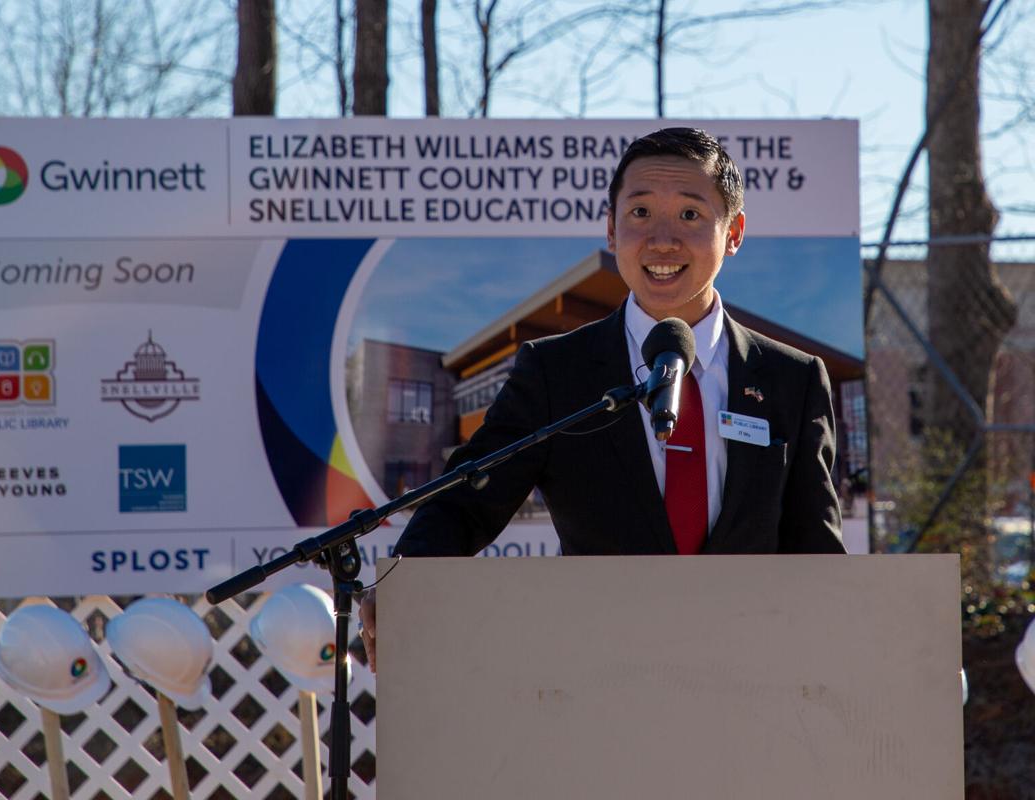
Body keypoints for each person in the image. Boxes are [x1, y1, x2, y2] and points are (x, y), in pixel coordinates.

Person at [359, 127, 845, 671]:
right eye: (639, 214)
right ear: (611, 230)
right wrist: (407, 580)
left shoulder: (791, 379)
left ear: (734, 232)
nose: (662, 240)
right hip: (599, 675)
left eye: (690, 215)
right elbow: (469, 499)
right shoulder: (556, 371)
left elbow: (816, 546)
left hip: (755, 672)